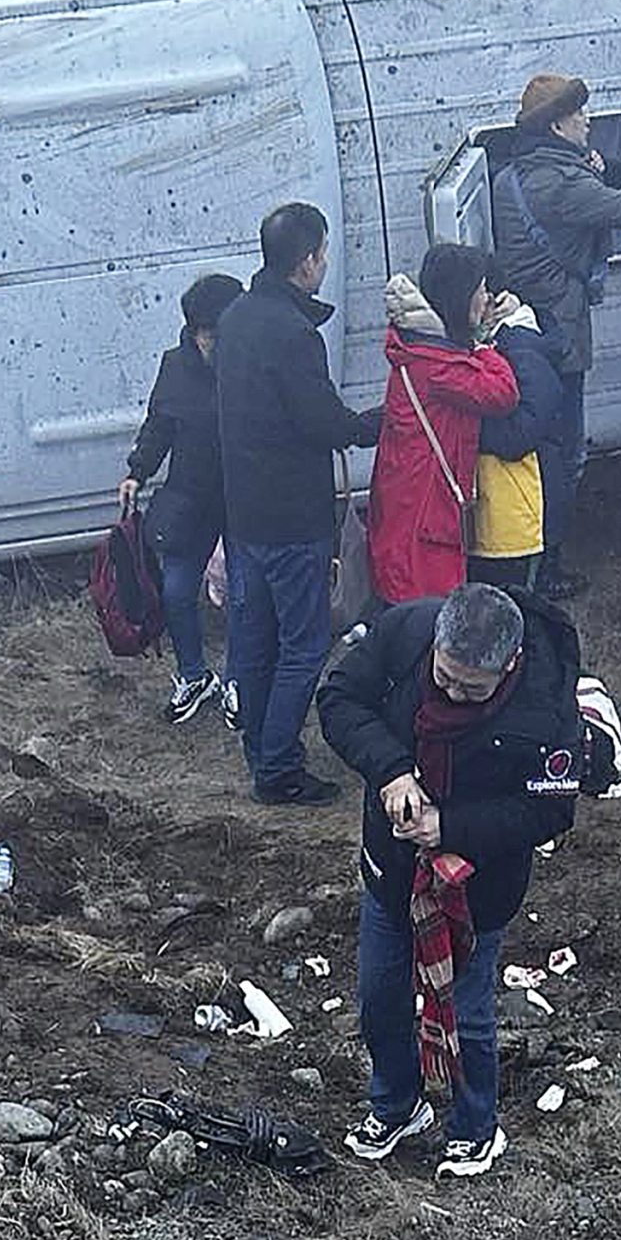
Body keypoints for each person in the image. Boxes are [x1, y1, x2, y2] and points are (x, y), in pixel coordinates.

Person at [317, 583, 584, 1182]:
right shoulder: (406, 631)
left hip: (479, 885)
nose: (454, 694)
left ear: (510, 665)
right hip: (393, 866)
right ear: (436, 644)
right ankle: (397, 1106)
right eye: (445, 679)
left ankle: (475, 1126)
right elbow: (339, 699)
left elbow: (550, 810)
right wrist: (391, 771)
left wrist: (450, 827)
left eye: (472, 689)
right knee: (380, 997)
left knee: (467, 1012)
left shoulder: (546, 704)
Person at [490, 73, 621, 596]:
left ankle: (538, 558)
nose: (587, 121)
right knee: (564, 455)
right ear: (558, 125)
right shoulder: (561, 185)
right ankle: (544, 568)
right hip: (558, 335)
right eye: (579, 114)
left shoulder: (518, 175)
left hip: (532, 329)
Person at [215, 202, 383, 807]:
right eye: (323, 253)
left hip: (245, 515)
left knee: (257, 642)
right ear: (307, 261)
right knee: (305, 645)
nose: (325, 263)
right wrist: (372, 424)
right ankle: (279, 767)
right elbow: (319, 421)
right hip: (291, 517)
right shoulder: (293, 333)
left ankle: (260, 751)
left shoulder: (235, 317)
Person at [121, 273, 244, 724]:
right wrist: (137, 471)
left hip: (243, 497)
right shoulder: (174, 366)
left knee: (244, 595)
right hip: (190, 497)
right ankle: (194, 675)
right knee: (175, 592)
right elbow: (159, 425)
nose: (208, 342)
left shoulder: (251, 361)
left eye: (215, 333)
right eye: (203, 333)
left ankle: (239, 680)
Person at [369, 245, 519, 606]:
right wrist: (484, 344)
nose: (487, 298)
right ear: (460, 298)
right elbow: (503, 392)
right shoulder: (439, 365)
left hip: (406, 505)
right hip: (424, 516)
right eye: (480, 290)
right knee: (425, 611)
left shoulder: (420, 347)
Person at [470, 288, 568, 591]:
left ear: (496, 302)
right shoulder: (503, 343)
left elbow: (520, 435)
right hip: (507, 508)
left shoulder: (521, 349)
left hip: (526, 507)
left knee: (519, 597)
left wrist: (467, 426)